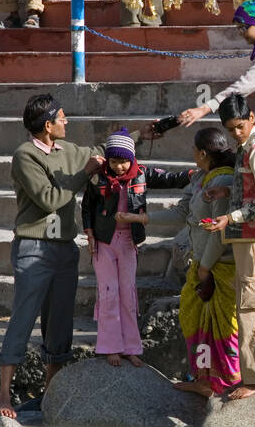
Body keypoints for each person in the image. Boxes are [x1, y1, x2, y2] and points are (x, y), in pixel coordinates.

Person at [0, 94, 106, 418]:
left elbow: (99, 153)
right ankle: (4, 394)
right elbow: (49, 199)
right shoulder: (25, 156)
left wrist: (142, 134)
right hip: (34, 249)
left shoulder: (68, 151)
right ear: (47, 125)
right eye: (62, 118)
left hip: (64, 249)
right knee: (23, 317)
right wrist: (85, 173)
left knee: (60, 323)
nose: (67, 122)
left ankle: (51, 393)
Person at [82, 128, 191, 366]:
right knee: (108, 292)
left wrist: (195, 174)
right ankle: (110, 346)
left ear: (132, 159)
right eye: (114, 161)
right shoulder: (98, 178)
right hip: (104, 243)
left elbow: (170, 178)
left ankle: (131, 346)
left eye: (124, 162)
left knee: (128, 294)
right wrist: (89, 234)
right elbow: (88, 205)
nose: (119, 167)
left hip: (129, 242)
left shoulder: (141, 174)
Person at [203, 95, 255, 400]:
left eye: (240, 125)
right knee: (248, 307)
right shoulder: (246, 149)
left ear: (251, 116)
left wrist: (229, 217)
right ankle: (254, 376)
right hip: (244, 238)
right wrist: (227, 190)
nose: (237, 132)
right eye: (231, 128)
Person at [173, 127, 239, 397]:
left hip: (219, 267)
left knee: (224, 327)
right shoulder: (201, 177)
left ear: (202, 153)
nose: (191, 152)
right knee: (195, 322)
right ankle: (203, 379)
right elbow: (181, 212)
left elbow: (219, 231)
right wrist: (138, 219)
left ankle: (230, 381)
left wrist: (204, 268)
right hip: (200, 266)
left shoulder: (221, 181)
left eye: (193, 148)